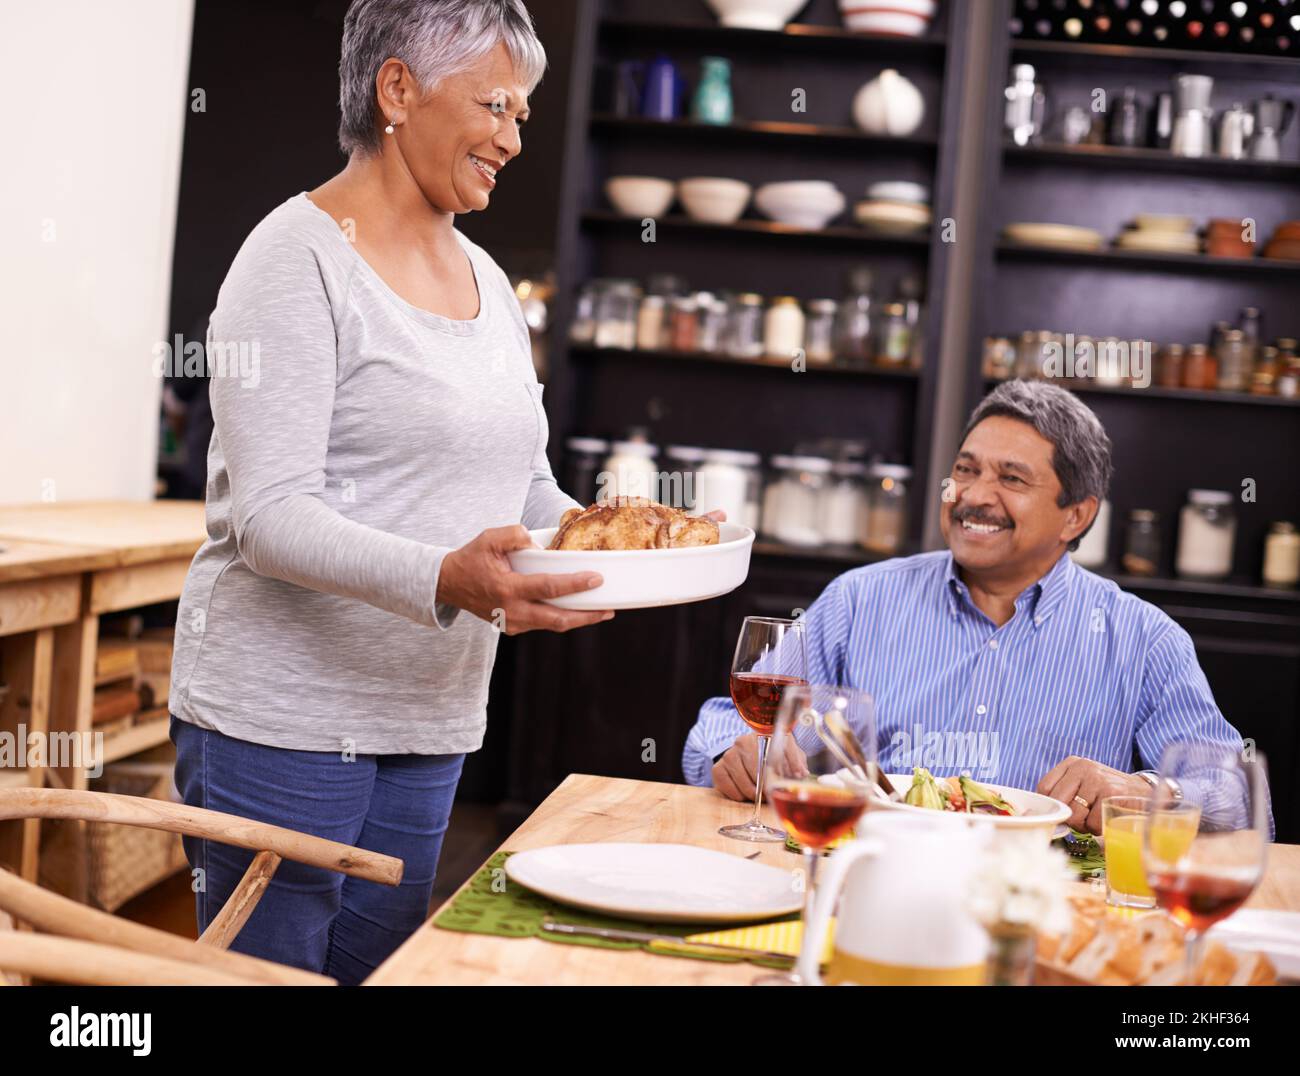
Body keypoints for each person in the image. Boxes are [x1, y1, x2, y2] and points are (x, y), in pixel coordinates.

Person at [169, 0, 608, 984]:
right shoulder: (295, 260)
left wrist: (603, 535)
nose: (511, 135)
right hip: (281, 720)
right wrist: (450, 576)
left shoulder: (490, 284)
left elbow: (521, 478)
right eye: (495, 103)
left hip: (428, 714)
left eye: (524, 113)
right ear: (397, 89)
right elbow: (270, 518)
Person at [684, 380, 1270, 837]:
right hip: (872, 874)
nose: (973, 495)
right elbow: (720, 726)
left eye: (1011, 478)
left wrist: (1145, 793)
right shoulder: (860, 599)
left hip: (1047, 903)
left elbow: (1244, 804)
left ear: (1077, 515)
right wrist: (735, 755)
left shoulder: (1144, 638)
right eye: (966, 470)